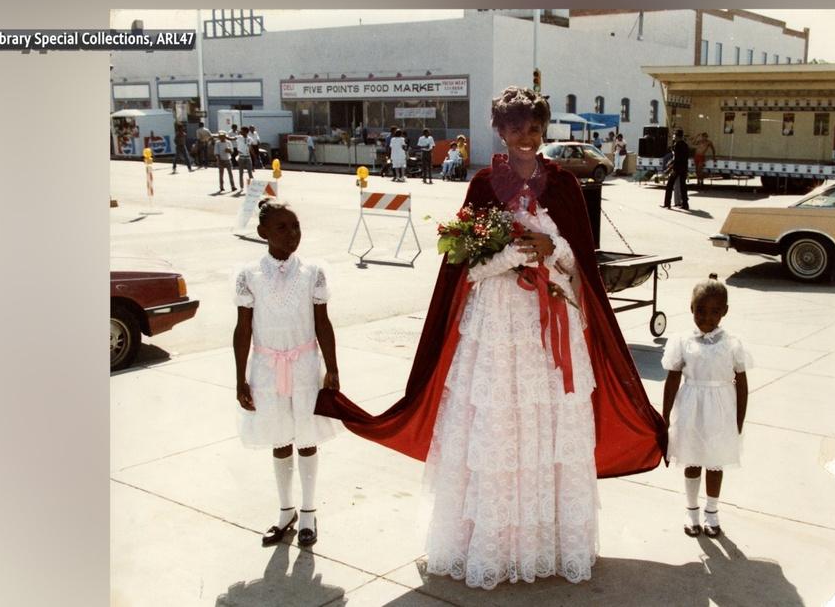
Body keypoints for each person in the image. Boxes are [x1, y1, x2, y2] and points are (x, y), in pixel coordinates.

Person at [316, 86, 666, 590]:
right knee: (498, 427)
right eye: (518, 127)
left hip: (551, 331)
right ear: (499, 131)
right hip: (497, 328)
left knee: (548, 425)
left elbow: (580, 266)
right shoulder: (483, 184)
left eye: (536, 128)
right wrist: (510, 256)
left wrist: (552, 246)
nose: (528, 137)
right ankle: (492, 545)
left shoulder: (566, 184)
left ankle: (546, 544)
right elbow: (464, 267)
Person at [233, 198, 342, 548]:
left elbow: (323, 323)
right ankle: (286, 512)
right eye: (282, 227)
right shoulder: (249, 275)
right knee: (280, 439)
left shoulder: (313, 271)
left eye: (296, 226)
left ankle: (309, 512)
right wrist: (241, 378)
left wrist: (332, 368)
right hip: (266, 368)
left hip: (306, 365)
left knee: (306, 438)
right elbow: (242, 328)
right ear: (263, 232)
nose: (292, 234)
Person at [660, 274, 751, 538]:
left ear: (725, 312)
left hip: (721, 410)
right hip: (691, 408)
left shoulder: (733, 344)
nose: (706, 318)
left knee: (714, 462)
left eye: (714, 312)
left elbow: (742, 383)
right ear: (691, 308)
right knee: (691, 458)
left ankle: (712, 512)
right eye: (700, 310)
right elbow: (673, 379)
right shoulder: (681, 341)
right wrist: (665, 417)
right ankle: (691, 512)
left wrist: (739, 420)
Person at [663, 129, 691, 210]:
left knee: (669, 186)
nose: (673, 137)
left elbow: (676, 158)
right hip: (684, 168)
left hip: (677, 168)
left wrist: (670, 168)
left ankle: (667, 203)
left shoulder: (677, 145)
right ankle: (685, 204)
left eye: (674, 135)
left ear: (677, 136)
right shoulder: (685, 145)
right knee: (683, 186)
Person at [234, 127, 254, 191]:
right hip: (241, 157)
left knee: (250, 172)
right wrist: (224, 137)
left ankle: (252, 187)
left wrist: (254, 155)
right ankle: (241, 187)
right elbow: (231, 138)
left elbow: (250, 147)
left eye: (242, 131)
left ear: (246, 132)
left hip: (248, 157)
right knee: (241, 172)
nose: (240, 131)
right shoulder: (239, 137)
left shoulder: (250, 139)